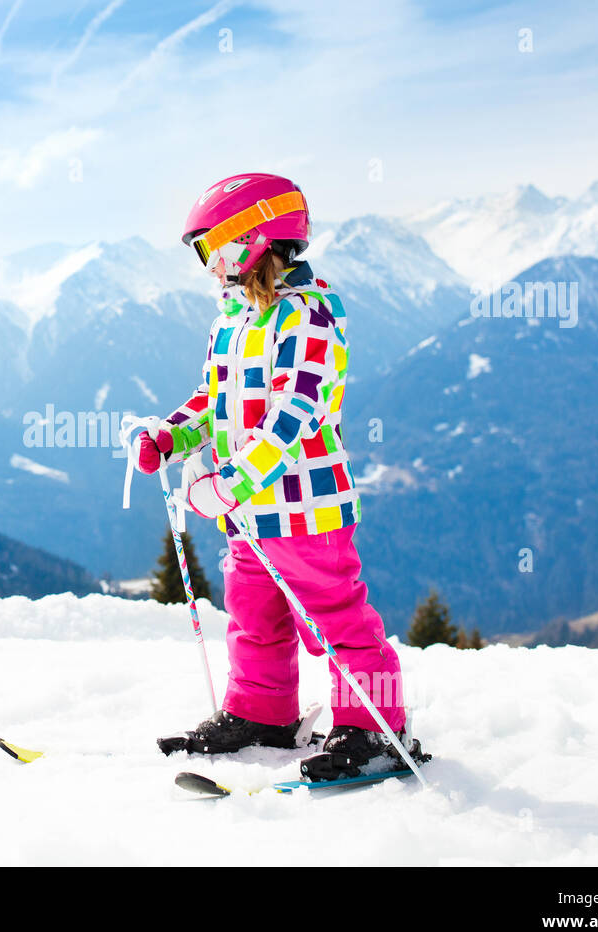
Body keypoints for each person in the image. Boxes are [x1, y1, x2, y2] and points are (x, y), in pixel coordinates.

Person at [136, 173, 423, 779]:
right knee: (253, 615)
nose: (209, 266)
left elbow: (298, 411)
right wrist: (170, 434)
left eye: (212, 249)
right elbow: (211, 407)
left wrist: (233, 481)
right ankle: (261, 713)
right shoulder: (233, 320)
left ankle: (376, 730)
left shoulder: (309, 314)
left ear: (253, 239)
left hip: (306, 509)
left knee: (336, 618)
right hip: (250, 517)